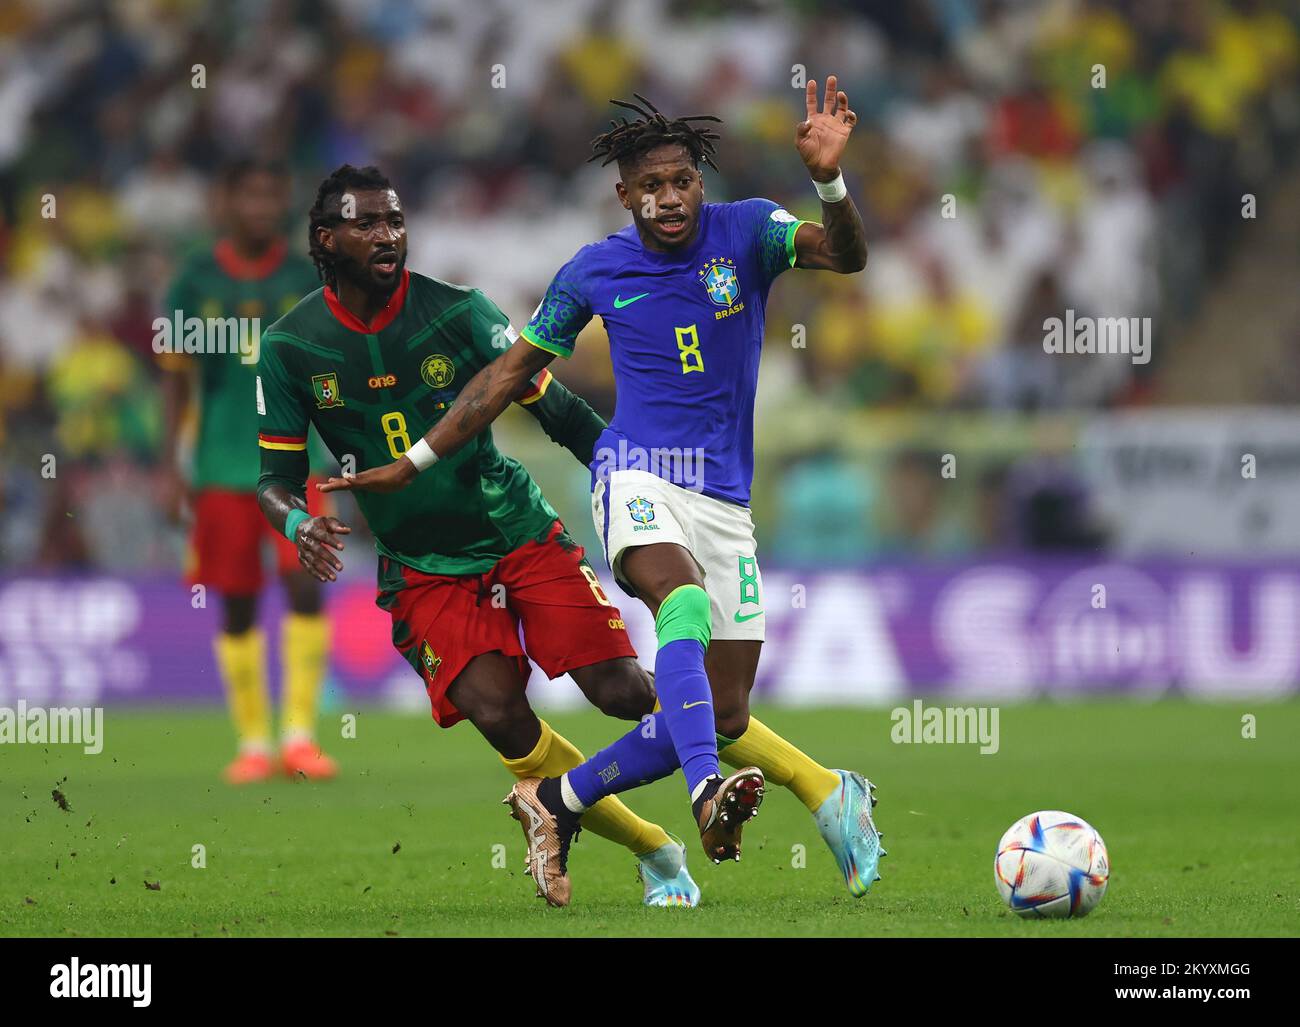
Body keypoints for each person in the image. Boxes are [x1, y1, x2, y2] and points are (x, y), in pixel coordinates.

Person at [325, 78, 887, 905]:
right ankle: (704, 797)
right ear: (622, 194)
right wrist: (412, 462)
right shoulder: (594, 270)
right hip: (636, 474)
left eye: (681, 181)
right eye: (650, 186)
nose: (668, 199)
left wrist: (831, 182)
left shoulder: (751, 230)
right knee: (679, 604)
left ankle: (559, 797)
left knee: (722, 715)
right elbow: (504, 379)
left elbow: (847, 255)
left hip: (725, 499)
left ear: (702, 179)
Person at [257, 164, 699, 908]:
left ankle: (750, 759)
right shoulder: (290, 345)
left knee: (623, 692)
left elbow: (556, 409)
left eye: (394, 220)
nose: (387, 234)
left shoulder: (457, 312)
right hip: (422, 566)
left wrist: (634, 479)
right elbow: (272, 477)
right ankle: (654, 846)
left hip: (515, 530)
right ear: (325, 239)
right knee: (499, 712)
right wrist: (297, 521)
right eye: (365, 223)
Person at [159, 159, 337, 784]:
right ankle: (253, 743)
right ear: (227, 203)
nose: (262, 207)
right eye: (250, 196)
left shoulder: (307, 277)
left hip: (298, 466)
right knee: (236, 602)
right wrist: (170, 467)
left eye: (272, 194)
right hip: (221, 468)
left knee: (306, 586)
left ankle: (300, 736)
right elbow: (176, 382)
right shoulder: (195, 280)